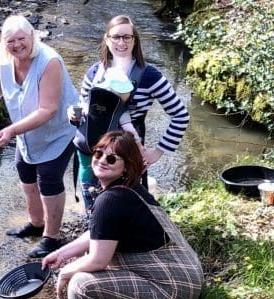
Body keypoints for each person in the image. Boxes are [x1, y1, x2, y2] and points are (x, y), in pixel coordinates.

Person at [42, 131, 203, 299]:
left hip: (173, 289)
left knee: (81, 286)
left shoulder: (111, 200)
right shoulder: (129, 191)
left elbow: (99, 258)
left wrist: (66, 271)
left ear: (127, 166)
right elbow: (99, 232)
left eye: (112, 158)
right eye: (99, 153)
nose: (102, 160)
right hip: (183, 274)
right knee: (88, 271)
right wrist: (63, 253)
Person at [0, 15, 79, 258]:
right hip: (27, 133)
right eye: (10, 41)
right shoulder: (5, 59)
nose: (16, 45)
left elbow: (48, 109)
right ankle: (36, 223)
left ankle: (52, 237)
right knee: (25, 172)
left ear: (32, 36)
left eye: (21, 39)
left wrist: (12, 130)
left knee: (48, 178)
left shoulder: (49, 61)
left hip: (58, 131)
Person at [69, 15, 190, 215]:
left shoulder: (150, 76)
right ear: (107, 39)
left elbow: (180, 115)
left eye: (127, 37)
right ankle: (93, 228)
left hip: (128, 154)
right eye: (116, 37)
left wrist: (156, 153)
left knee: (122, 207)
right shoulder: (94, 72)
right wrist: (73, 115)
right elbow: (84, 107)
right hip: (94, 153)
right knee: (92, 203)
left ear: (135, 40)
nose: (121, 42)